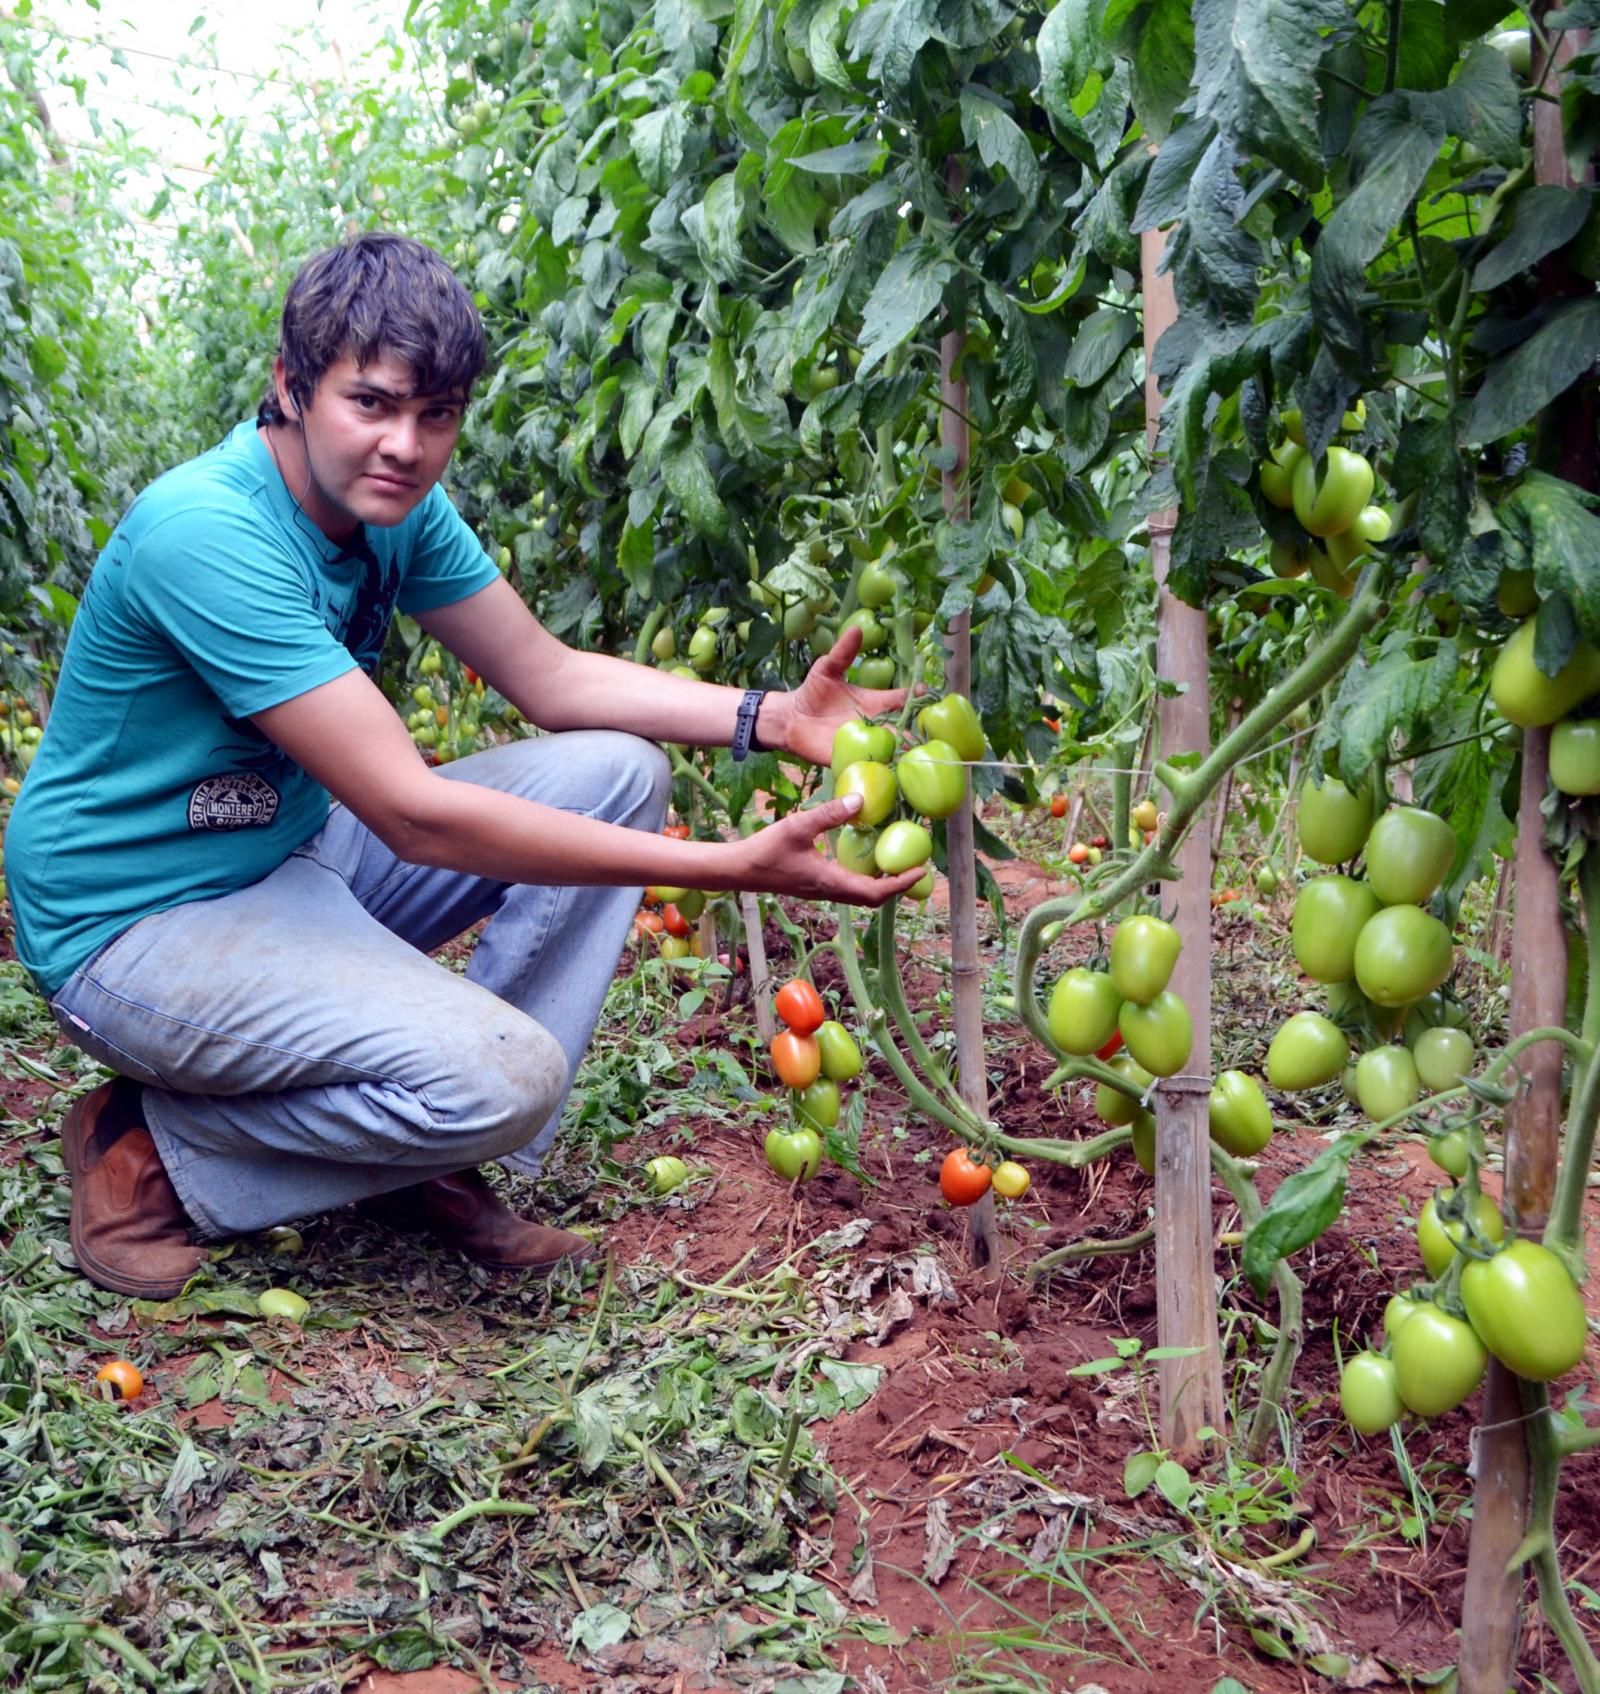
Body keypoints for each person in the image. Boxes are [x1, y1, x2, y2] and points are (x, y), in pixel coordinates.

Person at [5, 232, 919, 1301]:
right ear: (289, 386)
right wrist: (733, 861)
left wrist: (770, 715)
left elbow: (548, 675)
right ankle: (148, 1151)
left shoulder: (389, 509)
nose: (405, 444)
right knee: (507, 1076)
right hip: (135, 920)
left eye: (435, 416)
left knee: (618, 770)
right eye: (373, 404)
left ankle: (429, 1157)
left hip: (287, 850)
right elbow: (412, 813)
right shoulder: (207, 534)